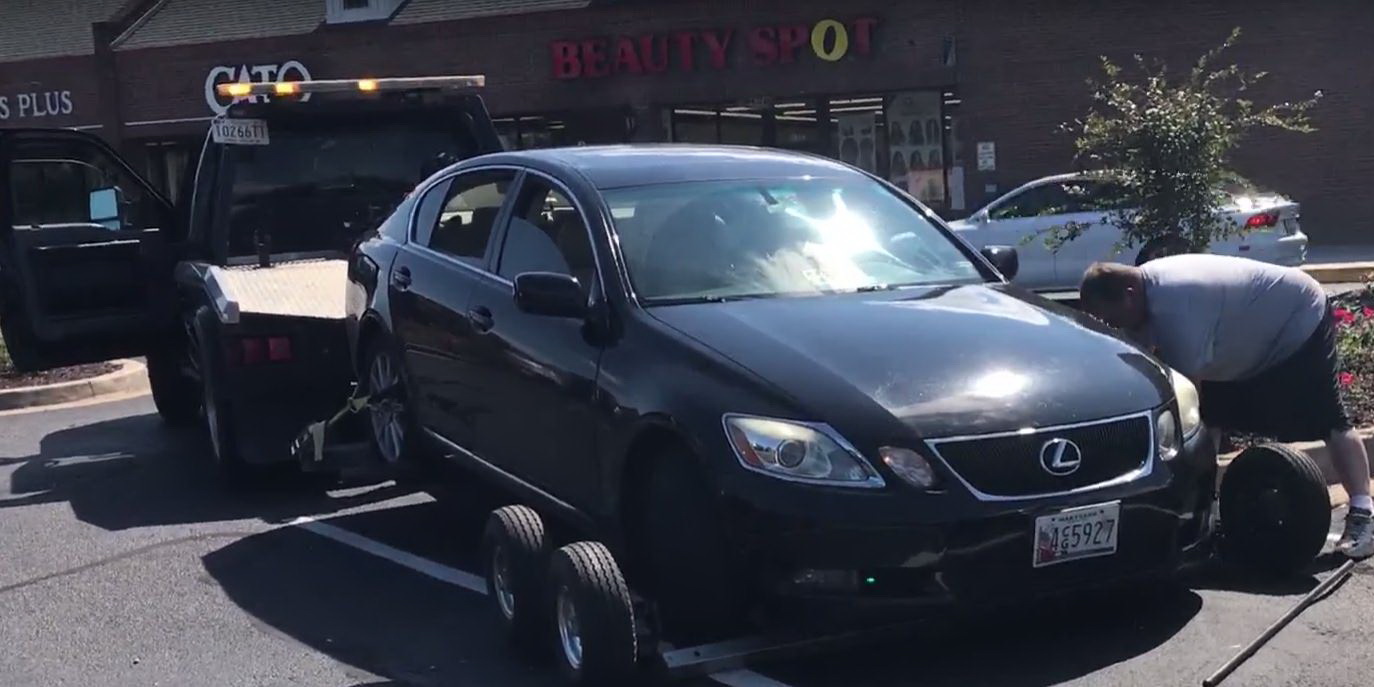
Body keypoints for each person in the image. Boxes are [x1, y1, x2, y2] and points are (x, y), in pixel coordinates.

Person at [1079, 253, 1373, 558]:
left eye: (1112, 319)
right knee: (1212, 418)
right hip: (1239, 332)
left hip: (1297, 315)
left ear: (1129, 294)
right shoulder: (1141, 296)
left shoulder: (1177, 304)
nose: (1113, 327)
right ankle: (1208, 515)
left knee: (1328, 418)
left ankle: (1364, 515)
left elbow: (1186, 398)